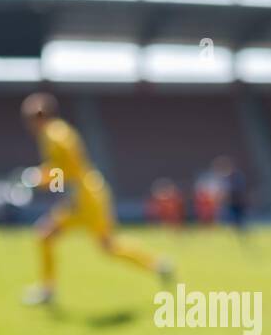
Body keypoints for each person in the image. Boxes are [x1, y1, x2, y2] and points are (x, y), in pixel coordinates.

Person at [18, 93, 172, 305]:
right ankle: (158, 265)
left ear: (38, 116)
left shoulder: (55, 135)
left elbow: (68, 170)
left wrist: (39, 178)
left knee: (50, 235)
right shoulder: (58, 133)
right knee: (103, 245)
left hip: (84, 198)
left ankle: (47, 290)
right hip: (86, 194)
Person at [212, 155, 248, 235]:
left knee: (238, 220)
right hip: (229, 204)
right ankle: (234, 233)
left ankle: (240, 233)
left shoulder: (236, 177)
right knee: (230, 220)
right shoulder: (223, 178)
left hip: (237, 203)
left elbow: (238, 191)